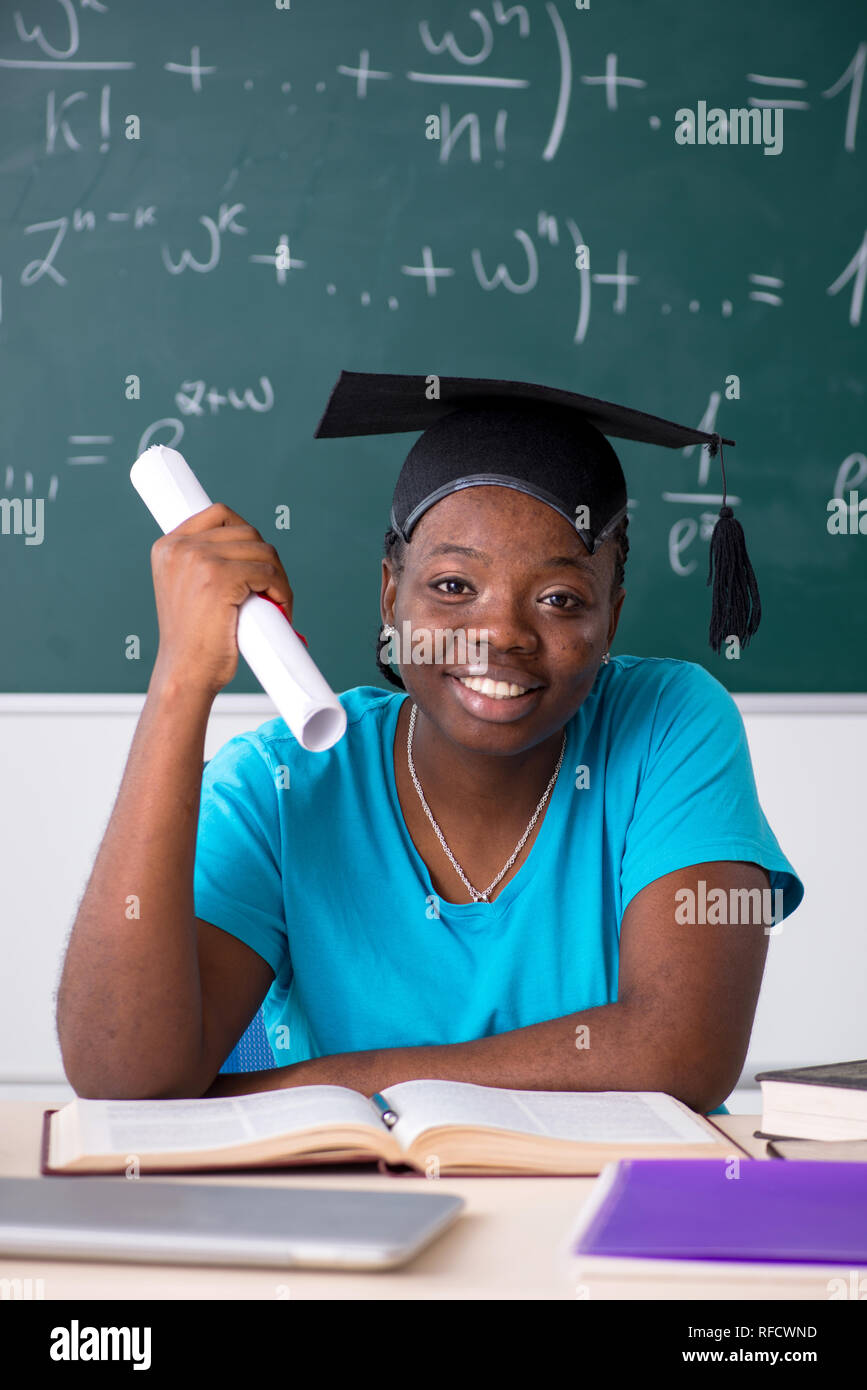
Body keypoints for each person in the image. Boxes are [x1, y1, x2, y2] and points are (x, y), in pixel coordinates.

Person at [56, 372, 802, 1114]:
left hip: (612, 1216)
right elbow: (122, 1074)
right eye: (452, 586)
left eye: (559, 599)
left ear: (609, 619)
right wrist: (179, 683)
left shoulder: (669, 725)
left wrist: (323, 1085)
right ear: (391, 595)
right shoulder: (281, 783)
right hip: (349, 1221)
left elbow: (682, 1051)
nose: (501, 633)